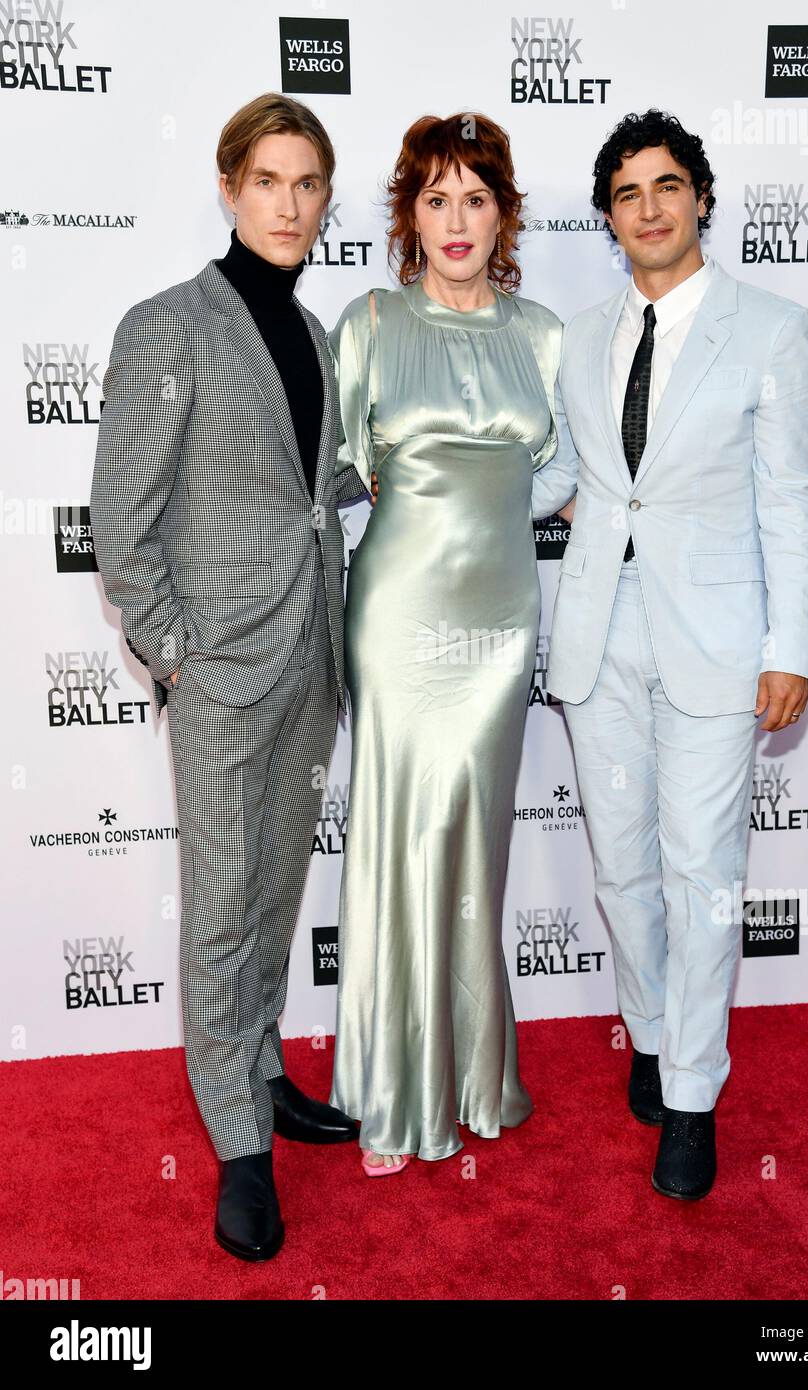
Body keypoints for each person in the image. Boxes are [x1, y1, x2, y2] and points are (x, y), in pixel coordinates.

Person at [89, 93, 363, 1262]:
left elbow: (317, 488)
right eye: (269, 182)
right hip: (220, 666)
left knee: (269, 895)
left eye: (308, 185)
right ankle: (238, 1146)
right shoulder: (170, 322)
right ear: (228, 186)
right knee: (217, 909)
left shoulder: (310, 336)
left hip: (310, 656)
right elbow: (120, 516)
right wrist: (172, 651)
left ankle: (260, 1066)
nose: (289, 205)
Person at [543, 110, 808, 1199]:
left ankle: (694, 1095)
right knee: (621, 868)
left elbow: (791, 500)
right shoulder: (574, 336)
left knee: (703, 875)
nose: (647, 208)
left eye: (665, 186)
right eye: (625, 193)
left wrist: (788, 647)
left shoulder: (771, 328)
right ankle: (651, 1032)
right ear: (608, 217)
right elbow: (557, 474)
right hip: (596, 637)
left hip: (715, 645)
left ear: (699, 197)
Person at [326, 113, 578, 1174]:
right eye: (434, 198)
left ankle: (473, 1073)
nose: (456, 220)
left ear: (503, 212)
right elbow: (337, 464)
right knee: (396, 830)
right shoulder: (371, 320)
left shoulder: (543, 333)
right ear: (407, 214)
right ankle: (392, 1087)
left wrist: (496, 510)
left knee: (474, 838)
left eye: (475, 197)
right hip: (396, 614)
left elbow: (565, 471)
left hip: (499, 619)